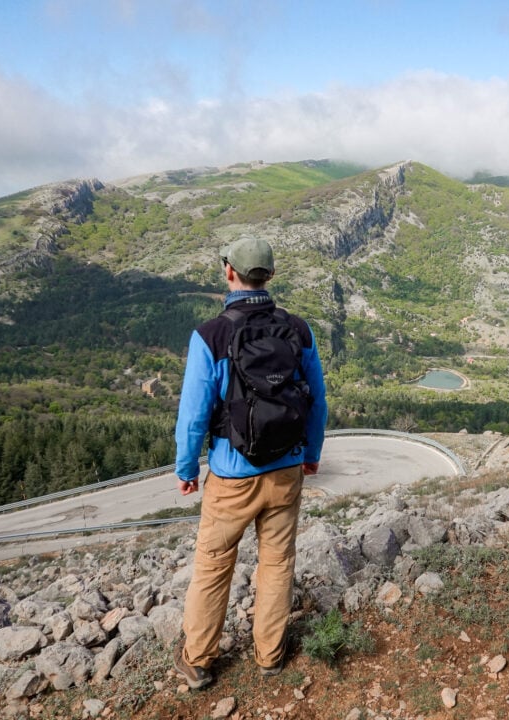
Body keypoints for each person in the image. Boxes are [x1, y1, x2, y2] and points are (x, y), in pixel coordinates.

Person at [172, 235, 328, 689]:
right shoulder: (298, 330)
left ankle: (199, 661)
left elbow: (194, 414)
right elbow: (316, 401)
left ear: (229, 272)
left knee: (213, 565)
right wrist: (311, 454)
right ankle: (270, 656)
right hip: (285, 469)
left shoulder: (210, 335)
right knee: (277, 563)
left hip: (231, 475)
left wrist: (186, 471)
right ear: (271, 276)